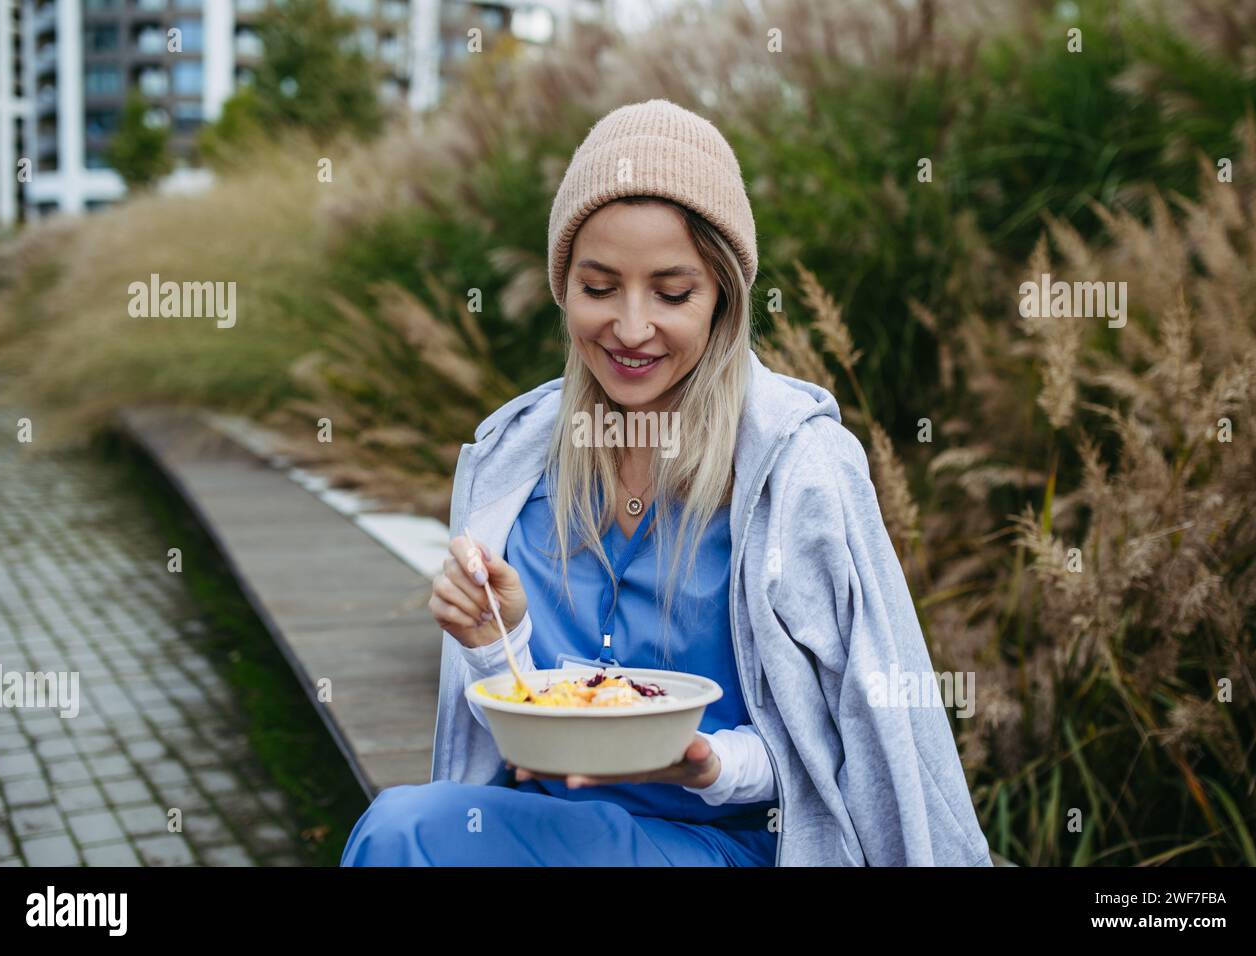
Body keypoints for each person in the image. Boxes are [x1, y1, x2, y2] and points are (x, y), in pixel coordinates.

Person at [340, 99, 993, 867]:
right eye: (599, 286)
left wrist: (708, 765)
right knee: (401, 830)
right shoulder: (516, 456)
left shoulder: (798, 468)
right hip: (547, 833)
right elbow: (531, 724)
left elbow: (858, 735)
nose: (631, 326)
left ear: (722, 297)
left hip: (724, 847)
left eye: (673, 293)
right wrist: (498, 643)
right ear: (563, 288)